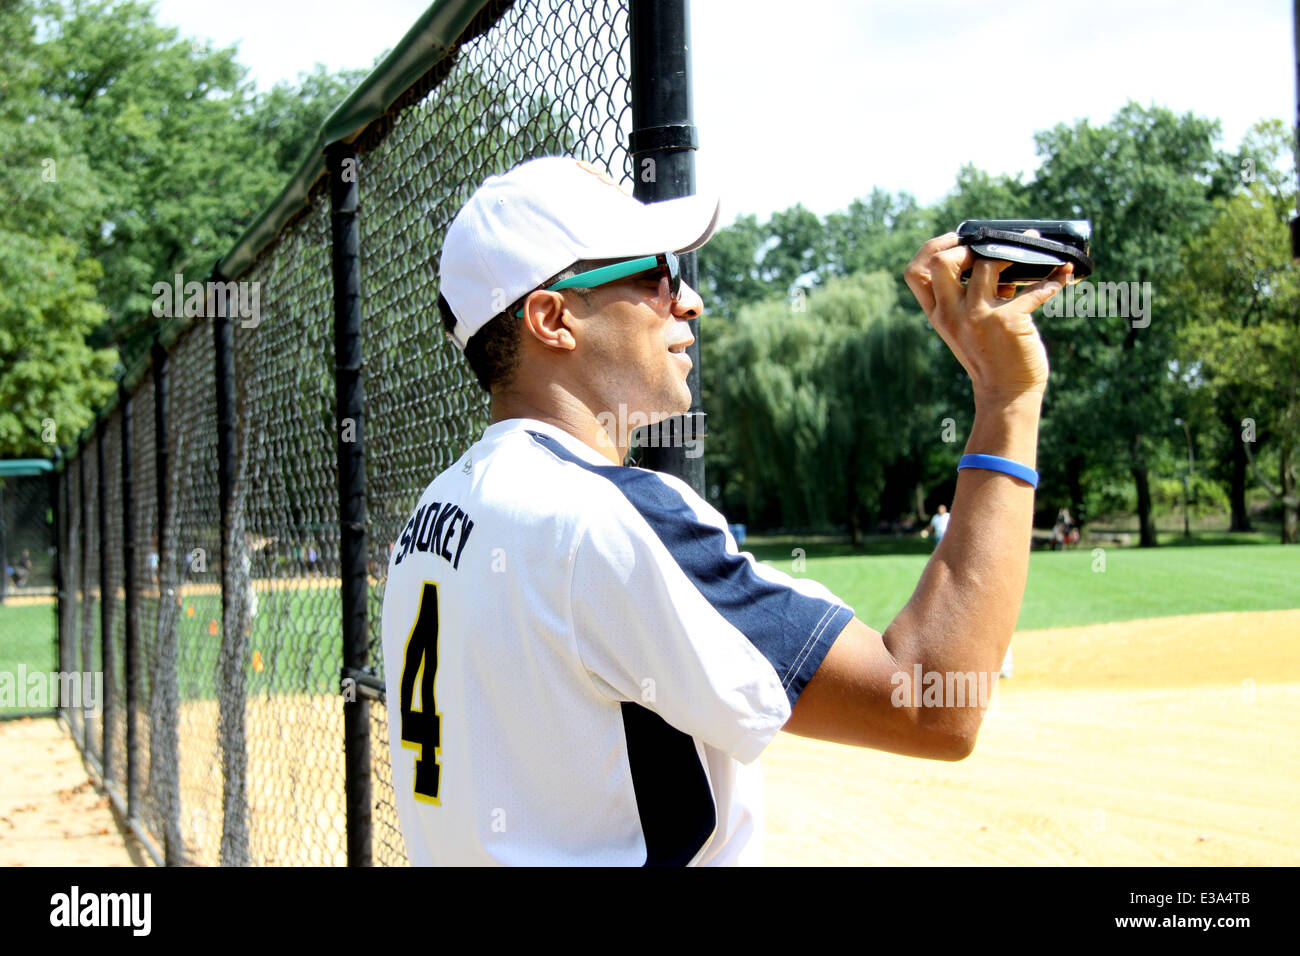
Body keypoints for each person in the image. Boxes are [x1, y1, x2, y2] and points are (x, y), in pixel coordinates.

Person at [379, 156, 1071, 866]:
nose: (687, 300)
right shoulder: (605, 513)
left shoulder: (431, 515)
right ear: (553, 319)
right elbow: (931, 704)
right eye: (653, 274)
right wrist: (1008, 398)